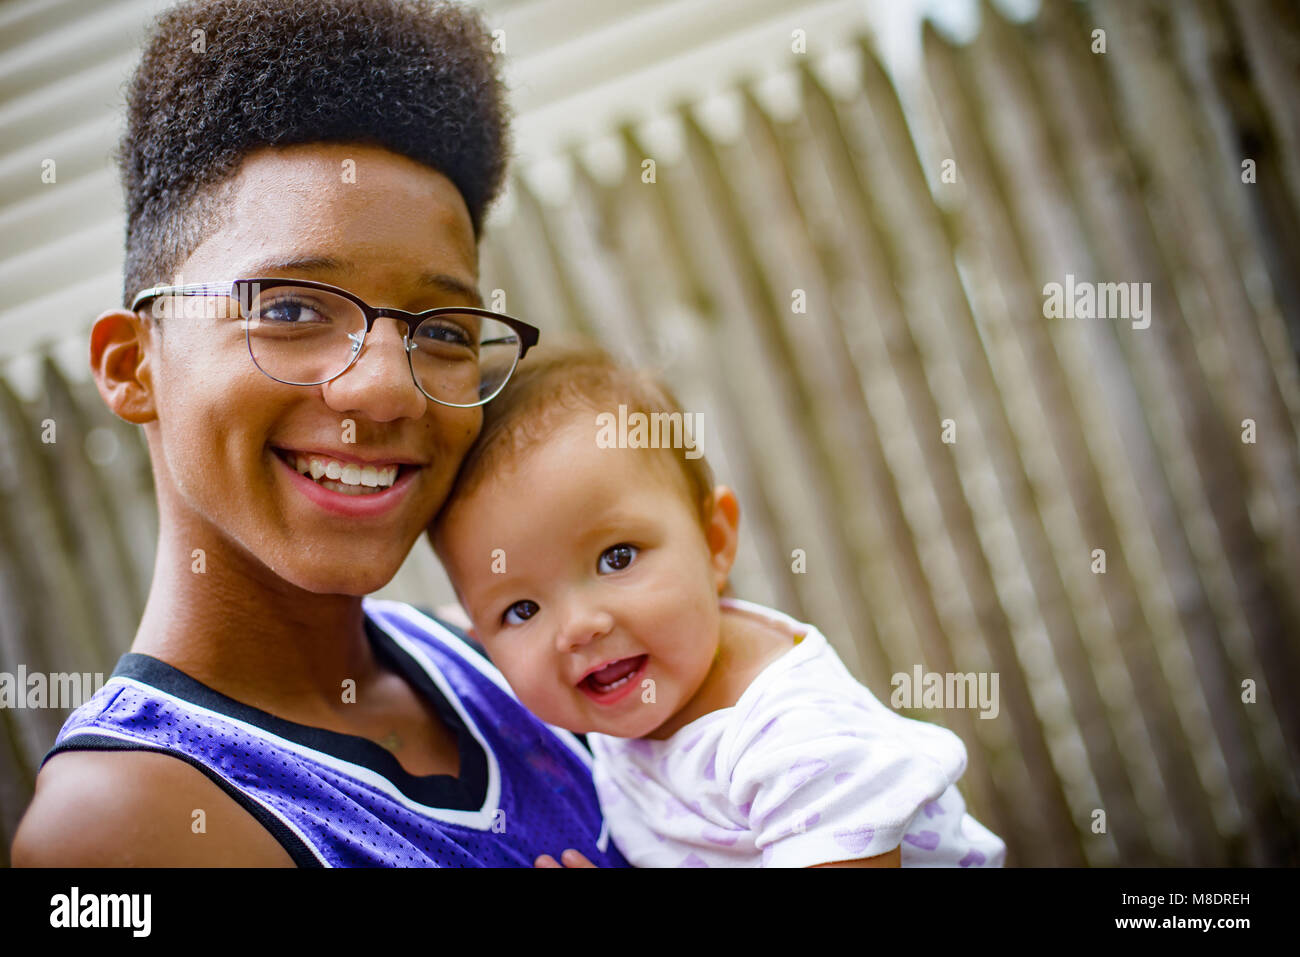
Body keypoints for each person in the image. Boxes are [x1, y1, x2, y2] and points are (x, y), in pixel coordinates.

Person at [11, 0, 628, 867]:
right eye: (292, 308)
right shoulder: (120, 829)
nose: (383, 389)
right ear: (132, 365)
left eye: (441, 330)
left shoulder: (509, 665)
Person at [430, 344, 1008, 867]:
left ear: (714, 542)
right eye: (523, 610)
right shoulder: (638, 678)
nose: (579, 627)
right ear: (481, 637)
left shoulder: (794, 744)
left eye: (617, 557)